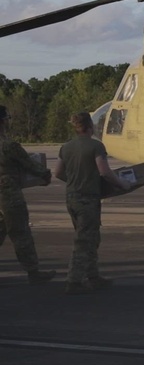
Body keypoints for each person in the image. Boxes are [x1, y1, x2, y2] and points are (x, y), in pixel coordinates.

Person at [54, 111, 131, 295]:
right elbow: (104, 171)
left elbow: (57, 173)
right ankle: (74, 281)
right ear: (90, 126)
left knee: (90, 238)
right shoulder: (96, 146)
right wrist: (122, 184)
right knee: (84, 241)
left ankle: (93, 276)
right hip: (87, 199)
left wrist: (74, 180)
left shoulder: (66, 147)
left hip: (71, 197)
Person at [0, 105, 57, 285]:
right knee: (20, 232)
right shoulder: (9, 145)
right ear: (3, 121)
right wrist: (45, 174)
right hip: (8, 193)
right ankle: (33, 271)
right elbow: (30, 164)